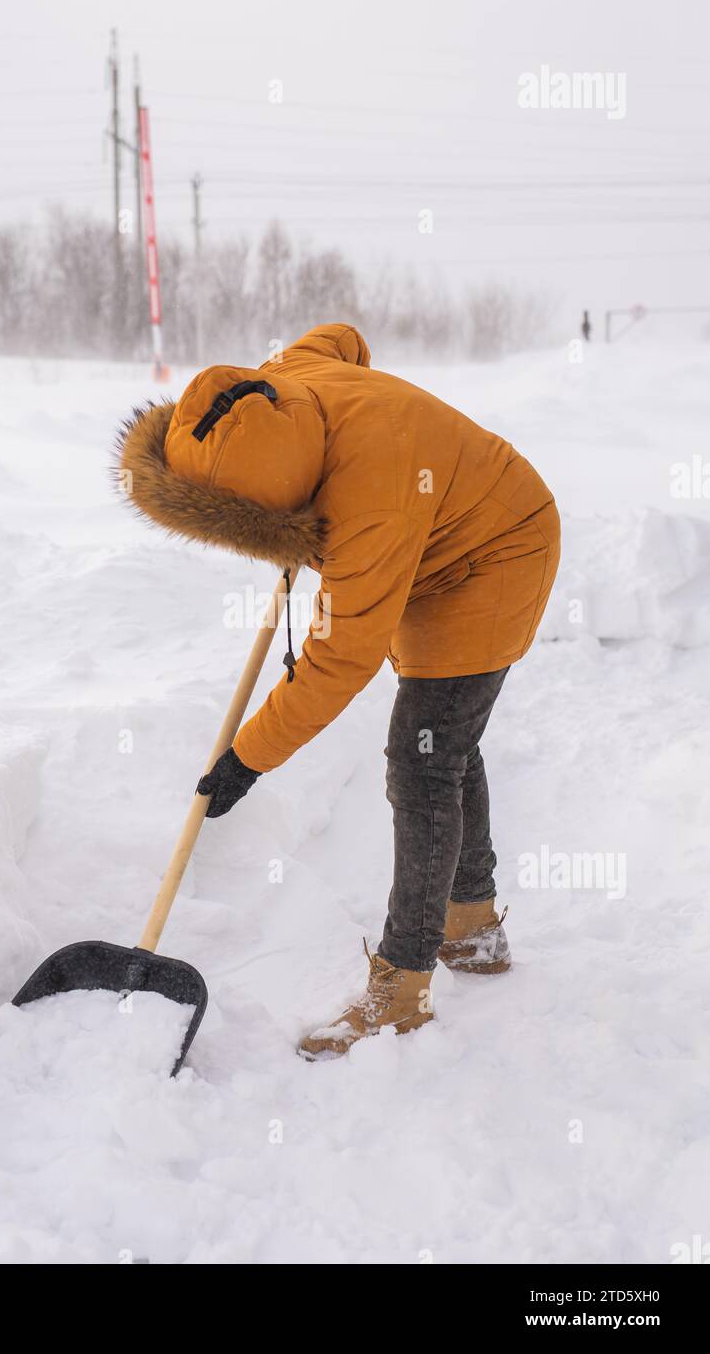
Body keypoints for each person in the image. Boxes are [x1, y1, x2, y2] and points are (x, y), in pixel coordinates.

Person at [117, 324, 560, 1058]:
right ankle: (471, 927)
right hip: (433, 531)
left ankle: (403, 989)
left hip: (497, 551)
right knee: (444, 738)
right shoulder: (281, 383)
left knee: (423, 755)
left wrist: (247, 757)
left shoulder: (372, 504)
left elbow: (337, 660)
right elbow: (342, 338)